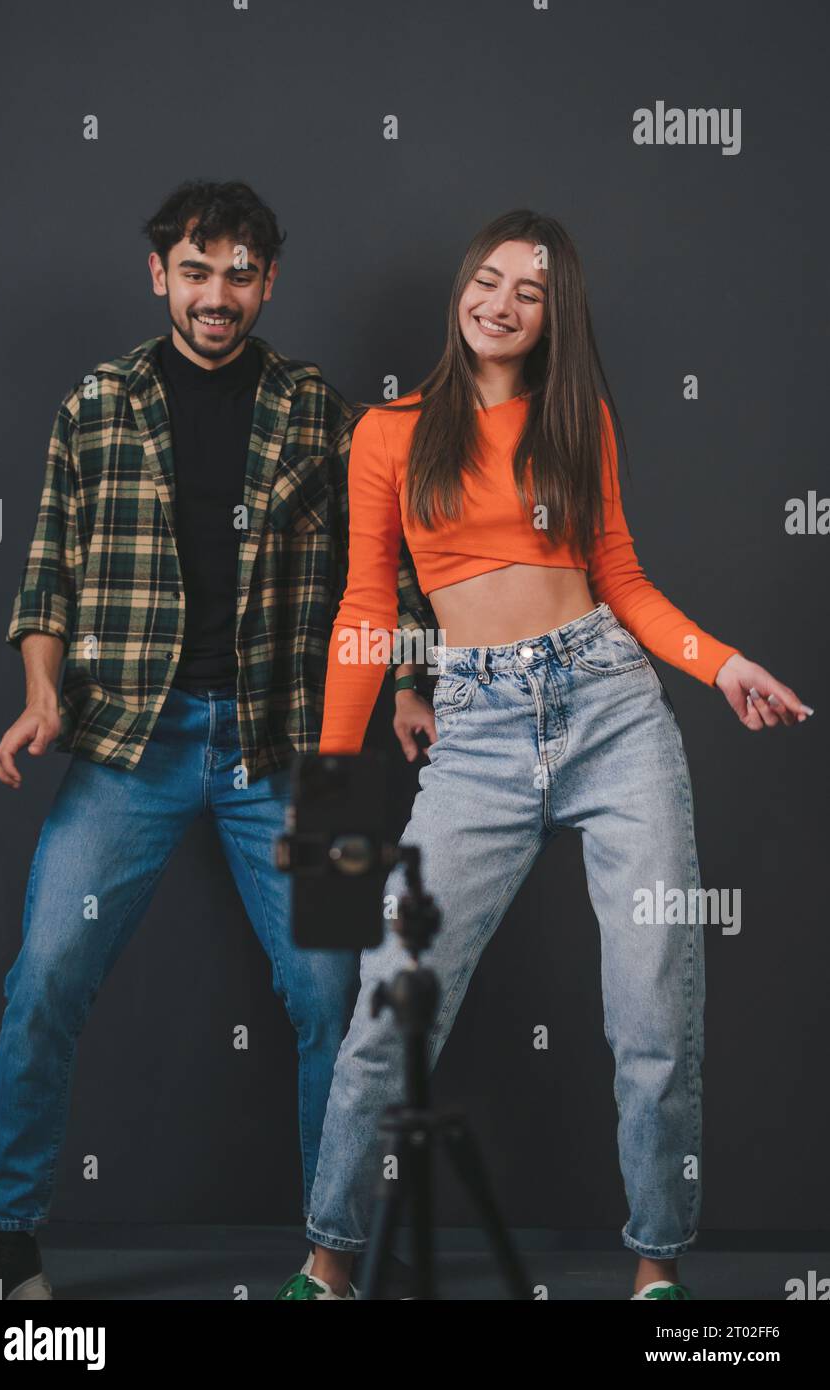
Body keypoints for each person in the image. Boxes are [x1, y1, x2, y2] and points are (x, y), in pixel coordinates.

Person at [274, 209, 812, 1301]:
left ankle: (657, 1267)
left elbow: (623, 579)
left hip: (612, 709)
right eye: (487, 278)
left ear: (553, 311)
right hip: (473, 734)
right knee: (392, 1000)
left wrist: (722, 664)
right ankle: (327, 1260)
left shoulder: (581, 421)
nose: (502, 300)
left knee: (655, 1009)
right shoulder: (389, 434)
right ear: (461, 292)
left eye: (529, 286)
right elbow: (366, 608)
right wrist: (331, 783)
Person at [0, 179, 432, 1300]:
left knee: (338, 998)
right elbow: (46, 577)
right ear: (158, 272)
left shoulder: (322, 409)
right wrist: (40, 692)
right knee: (45, 976)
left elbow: (391, 568)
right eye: (194, 268)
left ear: (267, 283)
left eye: (239, 274)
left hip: (303, 745)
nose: (215, 294)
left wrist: (413, 680)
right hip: (135, 740)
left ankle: (331, 1254)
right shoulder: (97, 404)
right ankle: (12, 1231)